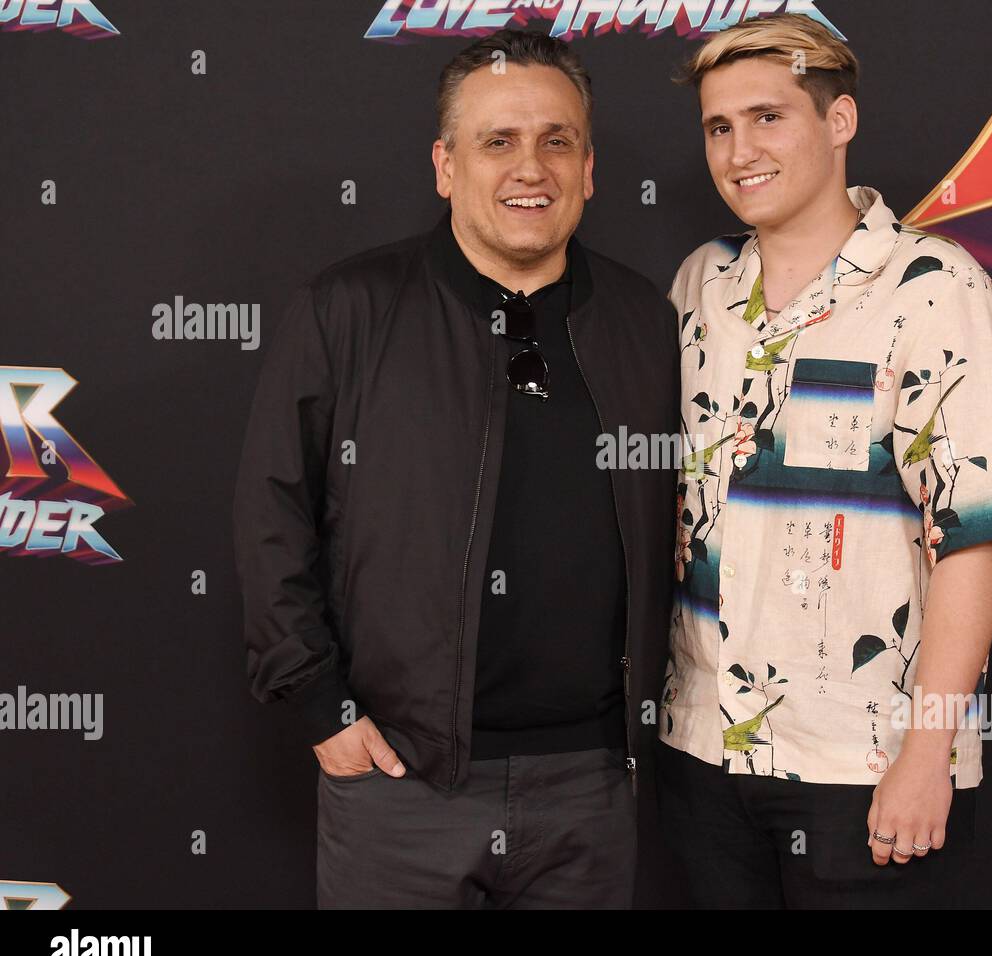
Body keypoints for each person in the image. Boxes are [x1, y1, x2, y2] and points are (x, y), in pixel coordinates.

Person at [232, 28, 678, 908]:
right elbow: (269, 513)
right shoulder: (348, 310)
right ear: (445, 166)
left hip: (590, 792)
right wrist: (325, 713)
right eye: (498, 141)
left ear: (589, 168)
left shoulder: (645, 321)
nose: (532, 168)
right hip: (403, 785)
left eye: (558, 141)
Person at [656, 12, 992, 908]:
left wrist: (927, 752)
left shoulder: (935, 287)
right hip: (703, 752)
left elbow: (976, 538)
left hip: (865, 767)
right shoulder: (698, 286)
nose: (739, 150)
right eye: (719, 126)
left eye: (768, 117)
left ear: (839, 122)